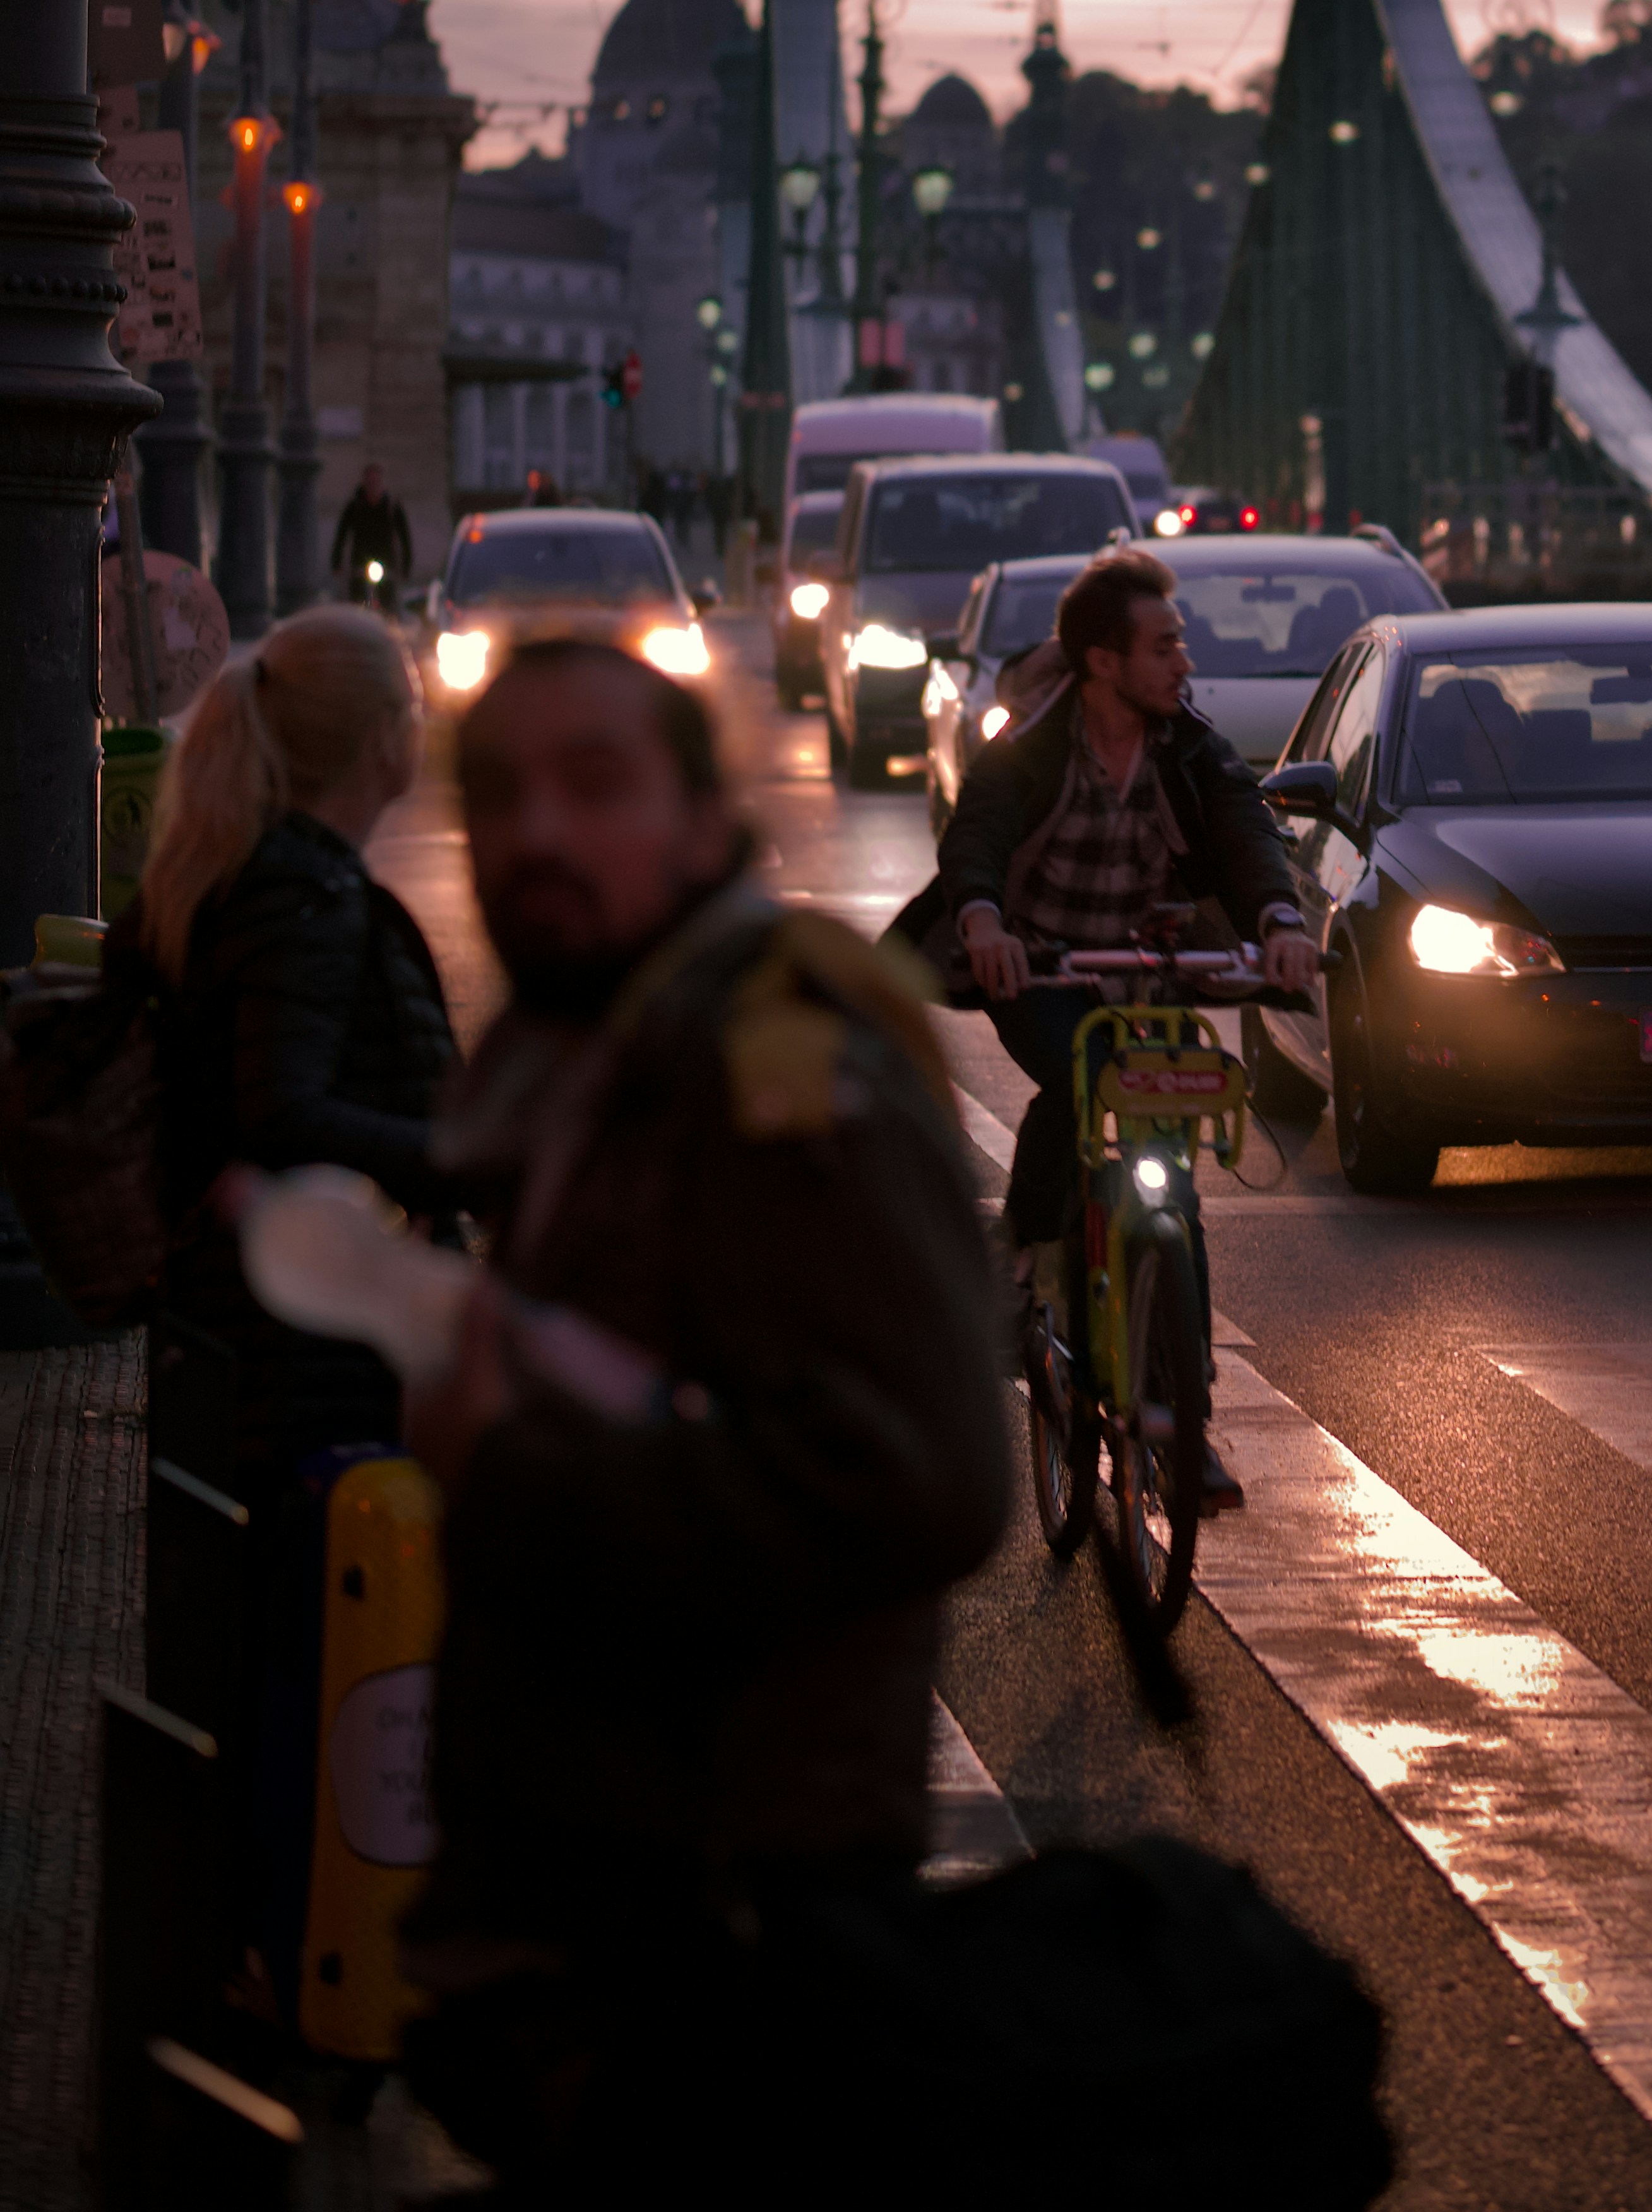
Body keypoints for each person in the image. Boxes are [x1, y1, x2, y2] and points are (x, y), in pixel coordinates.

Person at [400, 639, 1007, 2190]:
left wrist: (511, 1469)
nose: (535, 833)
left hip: (723, 1952)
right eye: (496, 796)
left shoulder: (778, 1058)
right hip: (607, 1932)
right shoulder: (618, 1037)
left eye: (595, 785)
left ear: (698, 813)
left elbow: (920, 1475)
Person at [925, 546, 1316, 1512]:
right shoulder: (1036, 746)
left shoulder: (1186, 743)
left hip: (1150, 965)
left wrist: (1279, 923)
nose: (1183, 664)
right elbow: (977, 827)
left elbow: (1243, 826)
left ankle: (1188, 1418)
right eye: (1164, 646)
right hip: (1045, 968)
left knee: (1171, 1171)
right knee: (1079, 1078)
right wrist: (981, 920)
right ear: (1104, 662)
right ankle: (1028, 1263)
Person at [134, 605, 461, 1513]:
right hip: (306, 1349)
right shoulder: (304, 899)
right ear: (386, 739)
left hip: (256, 1335)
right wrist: (455, 1159)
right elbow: (281, 1106)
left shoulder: (251, 876)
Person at [328, 458, 413, 612]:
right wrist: (337, 564)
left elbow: (405, 538)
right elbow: (341, 535)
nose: (373, 488)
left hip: (387, 565)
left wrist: (406, 567)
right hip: (360, 565)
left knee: (389, 606)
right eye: (370, 484)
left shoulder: (392, 507)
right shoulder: (355, 507)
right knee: (357, 605)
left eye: (376, 483)